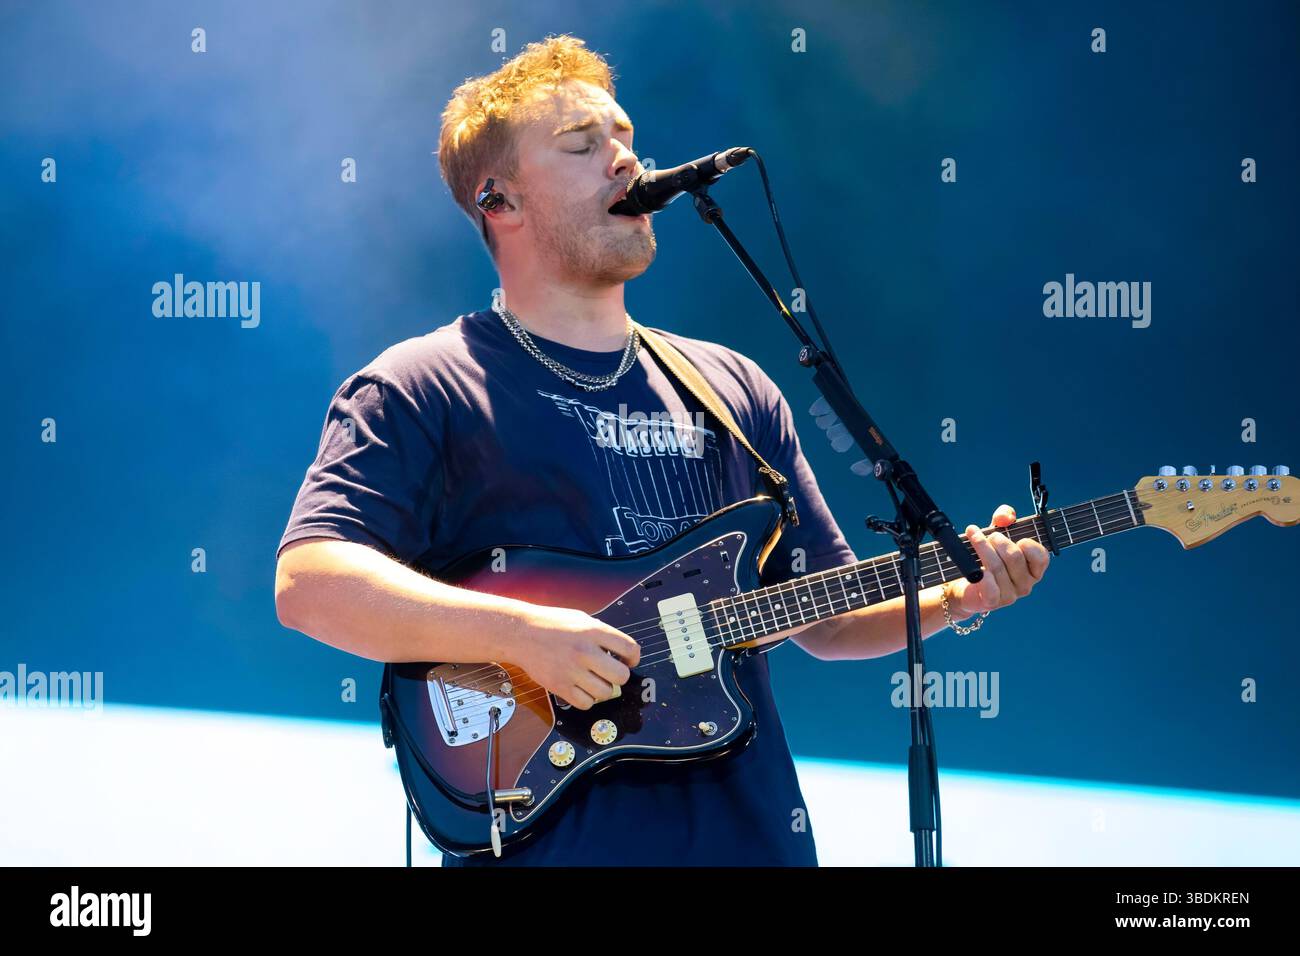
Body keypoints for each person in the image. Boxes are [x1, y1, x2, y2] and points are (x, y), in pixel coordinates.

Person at [273, 34, 1050, 866]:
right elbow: (310, 583)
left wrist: (958, 596)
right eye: (581, 144)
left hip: (748, 840)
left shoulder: (733, 386)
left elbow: (820, 618)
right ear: (499, 201)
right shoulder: (423, 384)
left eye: (625, 138)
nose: (623, 159)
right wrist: (520, 634)